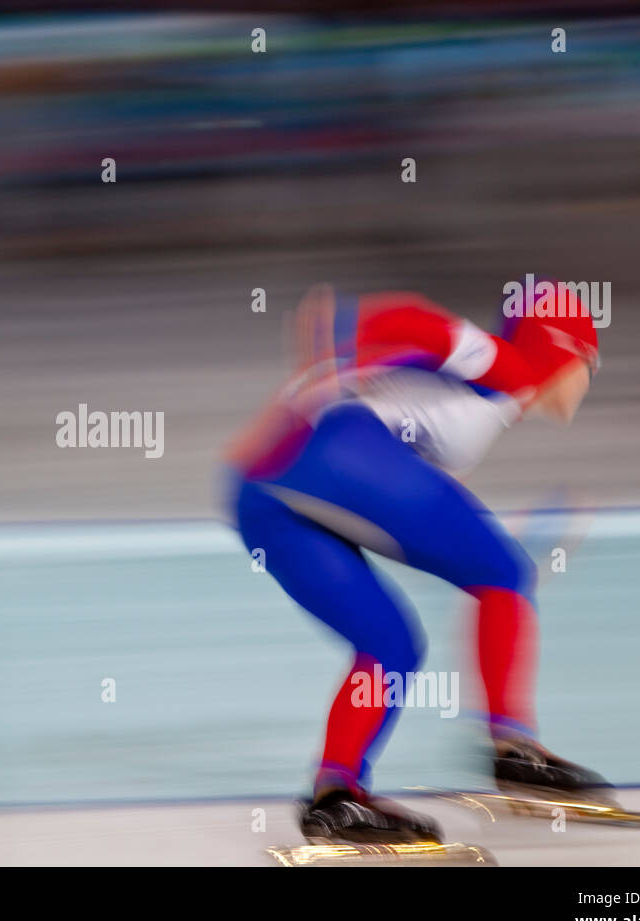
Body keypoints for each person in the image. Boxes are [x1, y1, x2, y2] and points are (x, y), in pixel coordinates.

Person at [223, 283, 607, 844]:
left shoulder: (468, 405)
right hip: (335, 453)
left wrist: (330, 363)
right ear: (564, 351)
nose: (589, 379)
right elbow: (419, 323)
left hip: (259, 492)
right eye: (590, 362)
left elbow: (419, 508)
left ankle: (336, 797)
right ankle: (514, 747)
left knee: (391, 644)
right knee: (505, 573)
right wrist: (340, 328)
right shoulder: (510, 365)